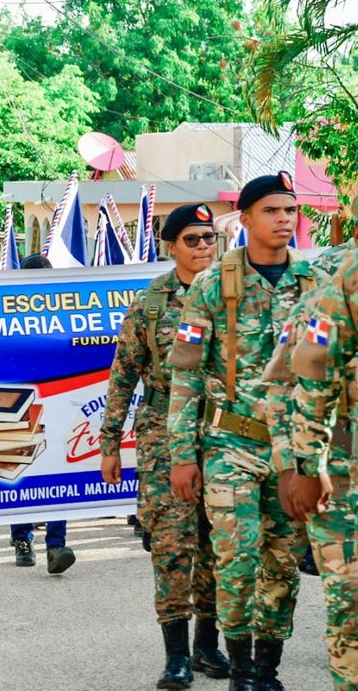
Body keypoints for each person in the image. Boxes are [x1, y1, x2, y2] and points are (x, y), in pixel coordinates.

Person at [168, 172, 319, 691]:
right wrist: (182, 454)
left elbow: (329, 366)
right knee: (236, 556)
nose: (284, 219)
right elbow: (185, 374)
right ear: (248, 218)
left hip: (294, 450)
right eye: (273, 210)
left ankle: (266, 668)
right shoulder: (213, 285)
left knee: (282, 560)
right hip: (231, 442)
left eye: (290, 210)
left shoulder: (314, 283)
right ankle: (238, 665)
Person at [265, 181, 358, 691]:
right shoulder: (338, 285)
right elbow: (291, 380)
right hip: (347, 477)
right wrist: (296, 463)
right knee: (354, 611)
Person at [101, 208, 229, 687]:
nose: (203, 247)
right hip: (159, 434)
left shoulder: (230, 296)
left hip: (220, 433)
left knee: (218, 542)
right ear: (170, 245)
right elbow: (123, 374)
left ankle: (207, 645)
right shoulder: (150, 303)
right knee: (173, 545)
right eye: (192, 239)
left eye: (209, 238)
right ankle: (175, 656)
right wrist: (109, 443)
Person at [4, 254, 76, 577]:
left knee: (58, 471)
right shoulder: (7, 312)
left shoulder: (65, 311)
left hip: (58, 400)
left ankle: (56, 545)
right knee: (22, 468)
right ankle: (22, 540)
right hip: (22, 403)